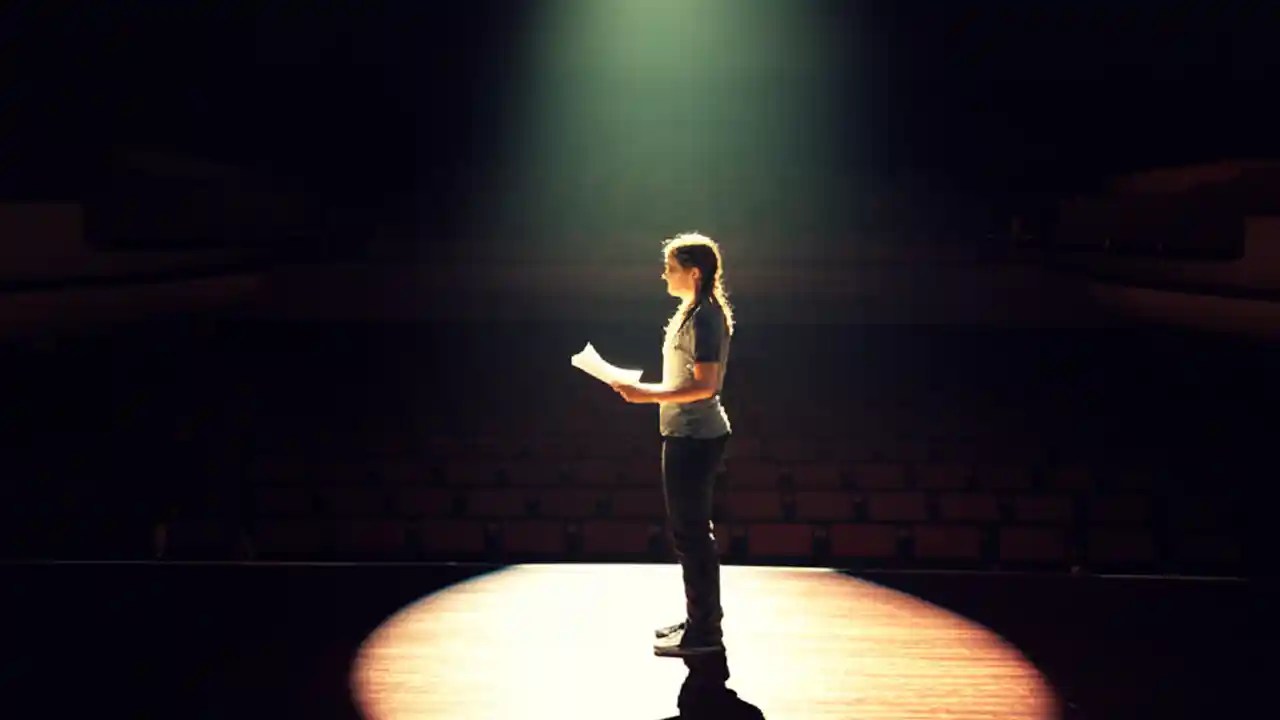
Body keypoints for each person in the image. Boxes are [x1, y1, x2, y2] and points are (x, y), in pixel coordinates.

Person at [610, 232, 735, 658]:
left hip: (695, 436)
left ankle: (705, 631)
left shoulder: (705, 316)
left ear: (693, 272)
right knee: (691, 534)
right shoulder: (694, 311)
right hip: (687, 433)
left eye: (671, 267)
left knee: (693, 535)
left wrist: (645, 394)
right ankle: (699, 620)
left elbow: (704, 386)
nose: (664, 273)